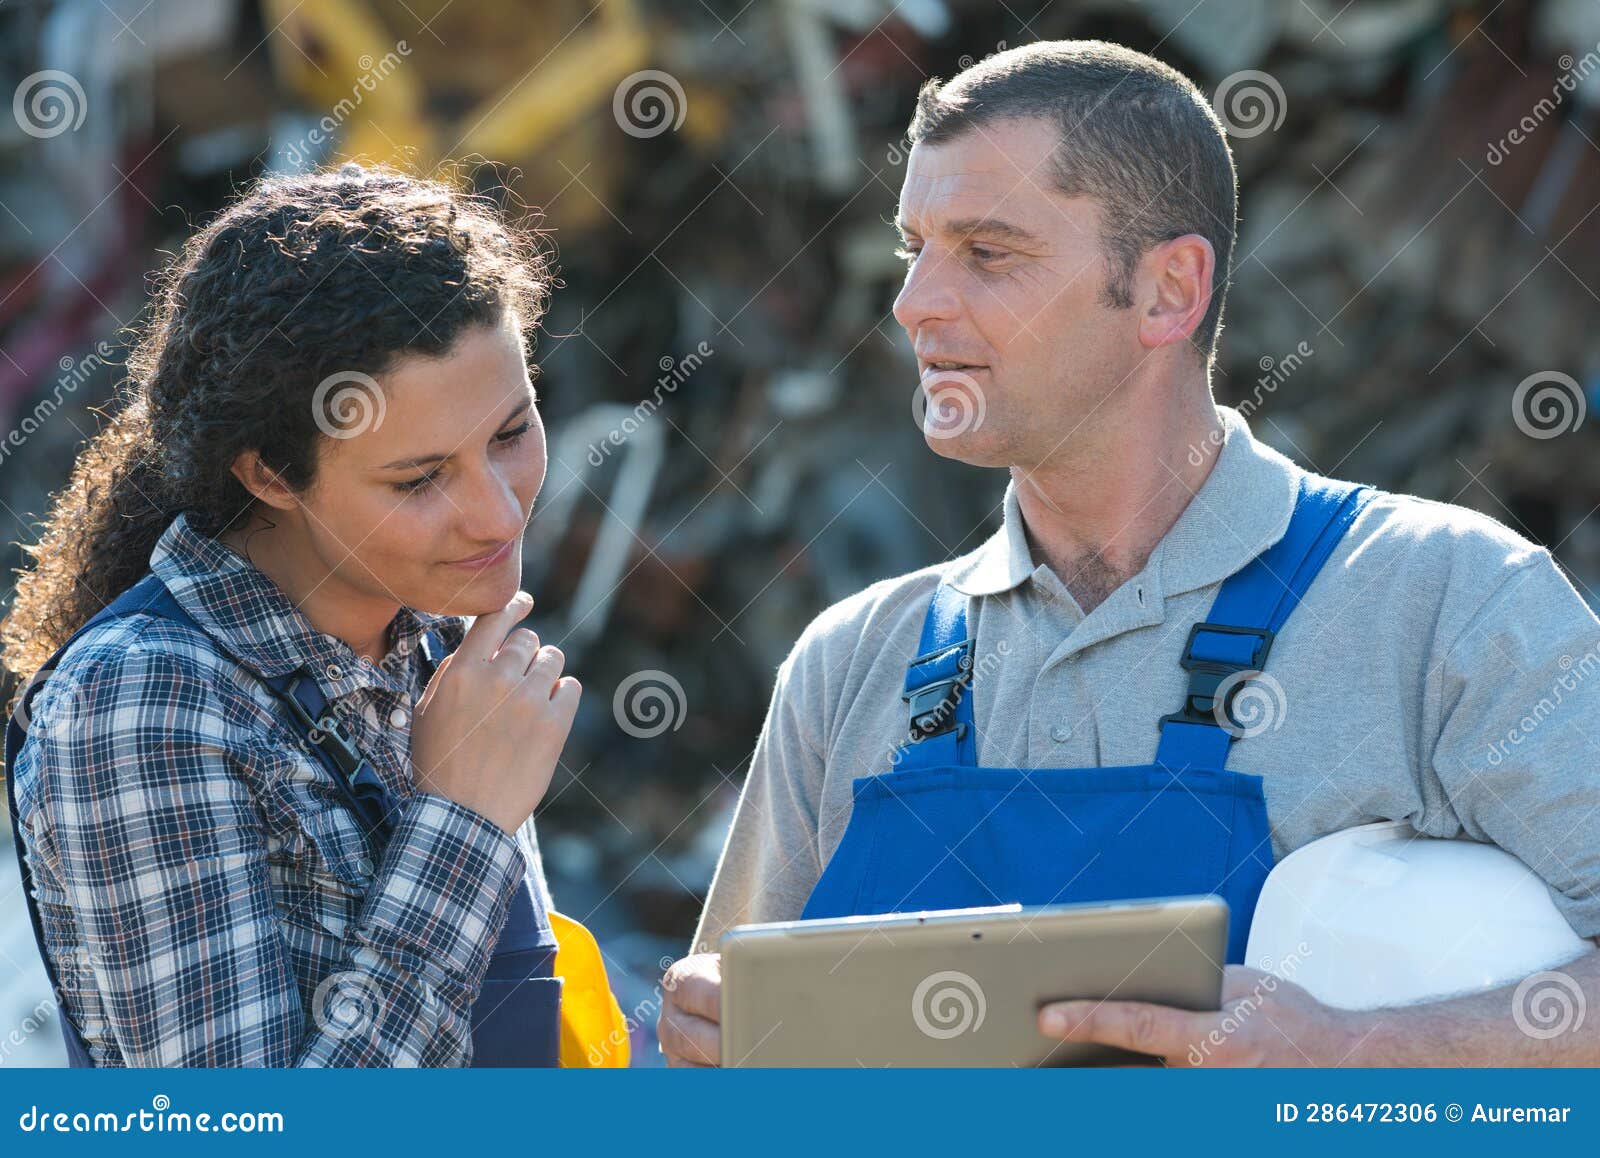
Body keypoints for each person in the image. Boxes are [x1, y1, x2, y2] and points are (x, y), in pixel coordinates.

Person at [659, 41, 1600, 1067]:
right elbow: (737, 1065)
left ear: (1167, 291)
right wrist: (713, 1039)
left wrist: (1357, 1051)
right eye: (912, 248)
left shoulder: (1443, 603)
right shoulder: (850, 668)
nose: (914, 303)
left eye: (988, 252)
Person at [2, 163, 582, 1067]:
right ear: (269, 474)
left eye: (512, 432)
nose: (502, 515)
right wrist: (463, 824)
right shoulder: (139, 707)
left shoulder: (429, 644)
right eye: (421, 478)